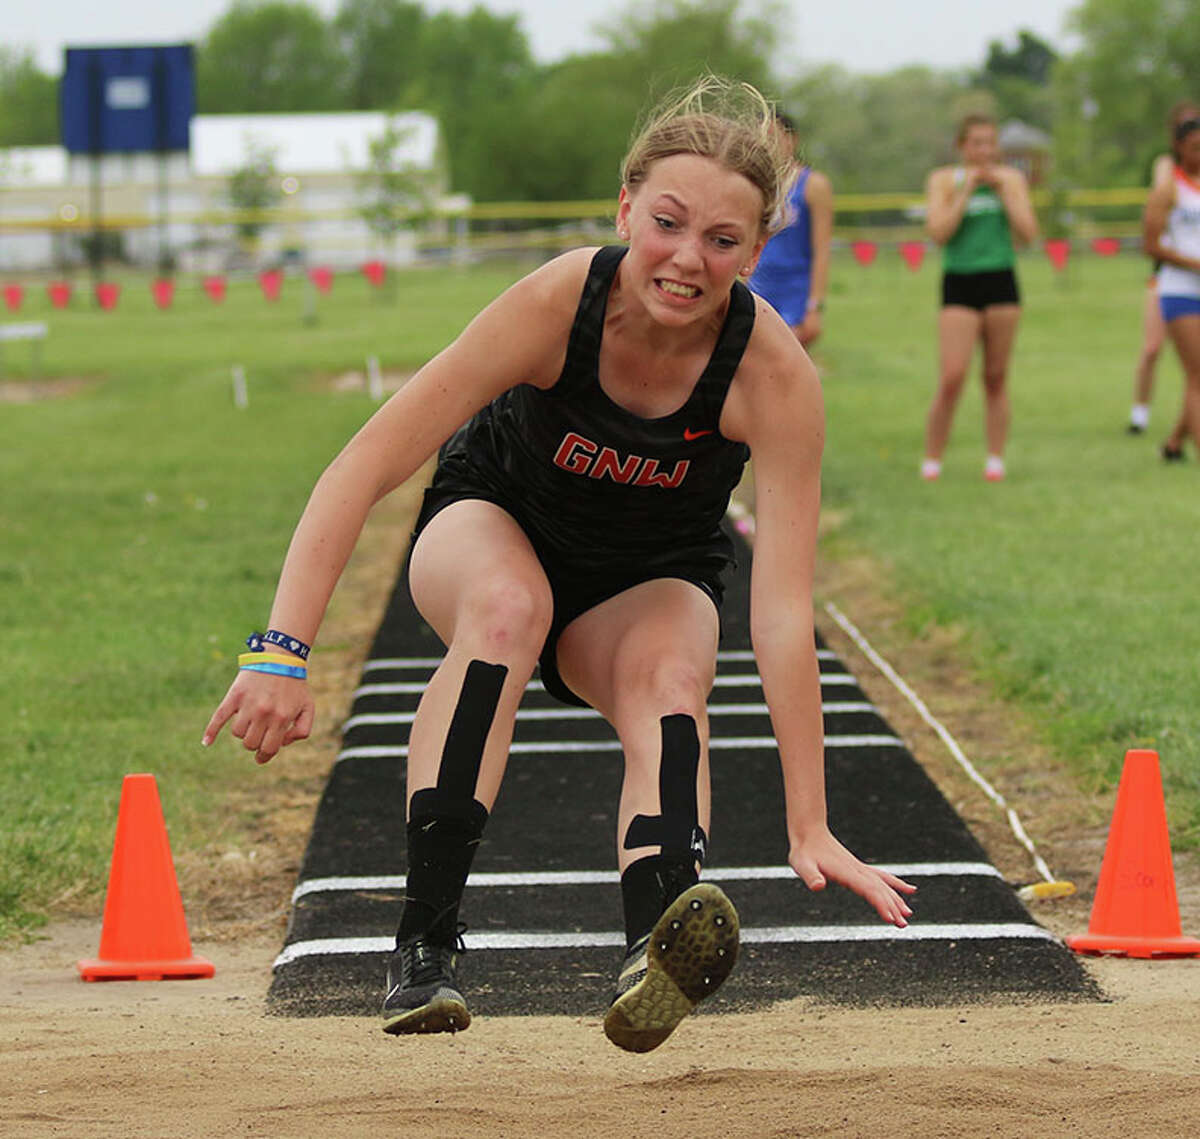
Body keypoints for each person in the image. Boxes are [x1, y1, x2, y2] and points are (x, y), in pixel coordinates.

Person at [203, 76, 915, 1053]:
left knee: (673, 674)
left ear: (757, 250)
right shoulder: (560, 302)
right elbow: (364, 463)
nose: (686, 258)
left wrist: (811, 820)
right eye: (667, 222)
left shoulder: (773, 374)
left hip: (646, 573)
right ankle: (425, 940)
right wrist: (281, 650)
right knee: (507, 606)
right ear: (626, 209)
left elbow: (784, 612)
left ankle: (658, 940)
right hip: (493, 522)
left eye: (722, 239)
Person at [921, 113, 1038, 482]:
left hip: (1001, 281)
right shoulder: (944, 180)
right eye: (977, 143)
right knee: (953, 375)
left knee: (996, 375)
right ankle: (933, 458)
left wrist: (1003, 193)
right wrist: (966, 191)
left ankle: (995, 459)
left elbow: (1028, 234)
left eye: (991, 142)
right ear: (962, 147)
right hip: (960, 283)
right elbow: (939, 233)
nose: (985, 150)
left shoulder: (1012, 180)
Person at [1127, 101, 1200, 436]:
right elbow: (1152, 241)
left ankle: (1174, 442)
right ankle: (1139, 414)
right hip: (1173, 282)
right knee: (1156, 349)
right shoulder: (1168, 177)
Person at [747, 111, 833, 347]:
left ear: (792, 139)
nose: (768, 143)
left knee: (783, 360)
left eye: (774, 135)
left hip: (795, 291)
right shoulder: (751, 185)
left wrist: (815, 306)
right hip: (758, 288)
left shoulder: (813, 185)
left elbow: (822, 249)